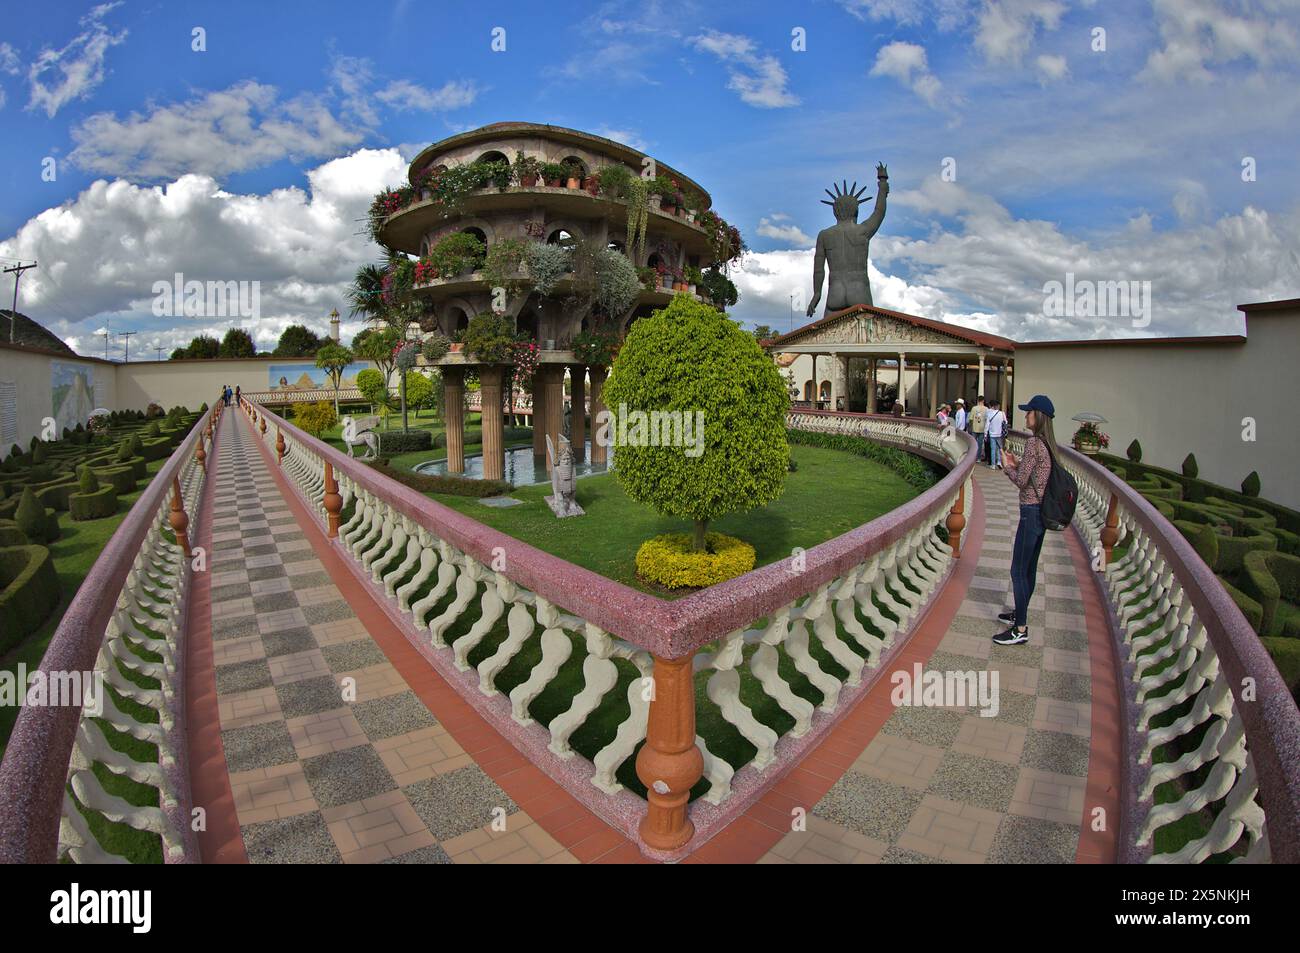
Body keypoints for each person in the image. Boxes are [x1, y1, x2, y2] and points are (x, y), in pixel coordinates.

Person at [993, 395, 1058, 645]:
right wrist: (1018, 464)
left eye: (1028, 412)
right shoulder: (1047, 444)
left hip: (1030, 511)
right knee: (1028, 569)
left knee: (1017, 570)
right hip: (1040, 513)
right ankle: (1019, 615)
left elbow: (1021, 481)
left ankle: (1020, 628)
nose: (1025, 416)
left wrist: (1006, 466)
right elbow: (1035, 474)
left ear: (1037, 416)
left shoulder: (1034, 443)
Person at [985, 400, 1006, 468]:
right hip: (999, 434)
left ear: (992, 406)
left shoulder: (989, 414)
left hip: (992, 434)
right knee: (999, 449)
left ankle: (993, 464)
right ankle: (999, 462)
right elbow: (1005, 422)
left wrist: (985, 434)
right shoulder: (1002, 413)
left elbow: (987, 425)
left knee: (993, 449)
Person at [970, 395, 987, 462]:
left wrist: (970, 428)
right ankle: (978, 458)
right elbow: (987, 419)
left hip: (974, 428)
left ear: (977, 400)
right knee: (980, 444)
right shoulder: (986, 409)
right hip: (982, 428)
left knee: (973, 444)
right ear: (983, 401)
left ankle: (972, 457)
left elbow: (971, 419)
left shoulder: (974, 408)